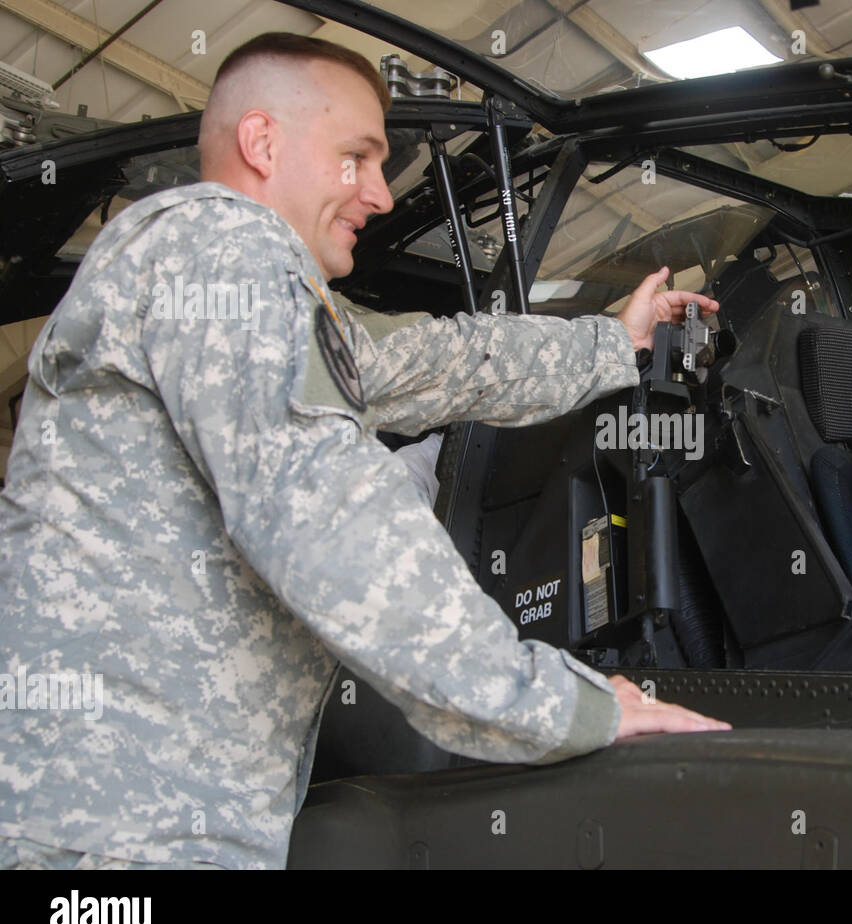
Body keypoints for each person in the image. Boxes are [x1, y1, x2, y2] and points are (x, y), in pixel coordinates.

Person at [0, 32, 727, 870]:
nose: (380, 194)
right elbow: (329, 514)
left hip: (126, 814)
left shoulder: (210, 282)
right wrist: (558, 705)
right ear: (263, 143)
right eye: (358, 157)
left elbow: (427, 368)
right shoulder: (219, 254)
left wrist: (613, 345)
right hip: (115, 835)